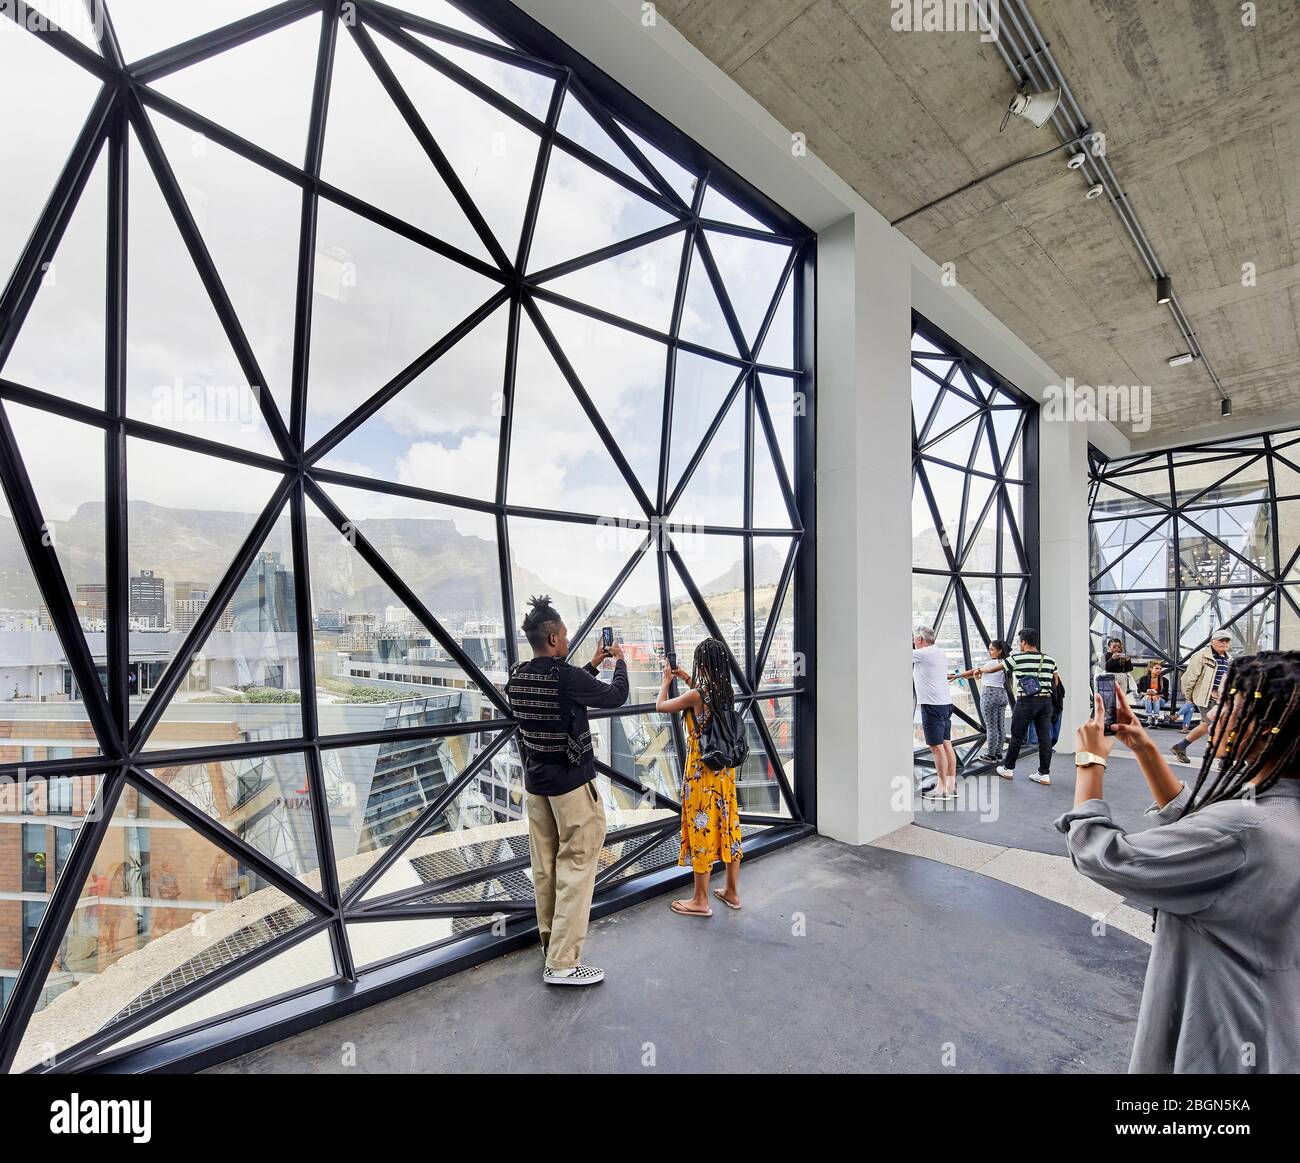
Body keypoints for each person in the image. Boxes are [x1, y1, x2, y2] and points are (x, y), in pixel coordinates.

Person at [1056, 653, 1300, 1073]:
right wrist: (1144, 748)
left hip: (1223, 1035)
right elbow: (1212, 838)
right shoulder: (1277, 812)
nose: (1213, 714)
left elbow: (1106, 856)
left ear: (1263, 730)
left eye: (1226, 704)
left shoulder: (1243, 829)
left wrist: (1090, 763)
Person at [504, 595, 628, 986]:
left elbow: (561, 690)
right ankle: (563, 964)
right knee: (577, 865)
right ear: (555, 637)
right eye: (566, 636)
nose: (568, 641)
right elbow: (615, 696)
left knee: (546, 868)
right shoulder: (565, 678)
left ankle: (551, 949)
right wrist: (619, 661)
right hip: (571, 787)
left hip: (537, 787)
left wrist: (592, 664)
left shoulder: (518, 676)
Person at [655, 638, 743, 916]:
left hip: (701, 774)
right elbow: (706, 697)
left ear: (702, 663)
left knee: (702, 828)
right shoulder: (725, 693)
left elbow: (661, 706)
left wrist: (667, 681)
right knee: (728, 826)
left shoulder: (697, 695)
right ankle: (731, 892)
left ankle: (700, 901)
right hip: (724, 773)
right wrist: (685, 677)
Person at [996, 628, 1059, 785]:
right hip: (1045, 702)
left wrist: (977, 671)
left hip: (1026, 701)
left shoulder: (1016, 658)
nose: (1019, 644)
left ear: (1024, 642)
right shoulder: (1050, 659)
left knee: (1017, 736)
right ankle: (1044, 774)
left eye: (1019, 642)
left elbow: (993, 669)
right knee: (1044, 738)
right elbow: (1056, 681)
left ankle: (1008, 769)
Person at [1171, 630, 1232, 765]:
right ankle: (1224, 759)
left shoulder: (1229, 658)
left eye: (1227, 640)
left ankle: (1180, 747)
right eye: (1221, 640)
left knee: (1206, 725)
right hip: (1206, 697)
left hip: (1220, 699)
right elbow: (1188, 678)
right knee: (1217, 725)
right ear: (1212, 642)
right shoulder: (1201, 656)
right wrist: (1190, 697)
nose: (1224, 643)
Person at [912, 626, 956, 800]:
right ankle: (951, 787)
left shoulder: (924, 653)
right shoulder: (939, 652)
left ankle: (941, 789)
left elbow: (895, 653)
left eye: (915, 639)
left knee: (936, 748)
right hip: (945, 703)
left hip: (932, 705)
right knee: (946, 745)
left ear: (921, 640)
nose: (914, 642)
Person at [957, 638, 1010, 763]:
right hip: (1002, 695)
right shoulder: (1006, 663)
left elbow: (974, 671)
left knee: (991, 727)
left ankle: (990, 755)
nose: (989, 652)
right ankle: (998, 753)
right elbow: (976, 673)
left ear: (1000, 651)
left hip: (990, 695)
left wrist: (957, 676)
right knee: (1000, 726)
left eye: (992, 649)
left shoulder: (992, 664)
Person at [1136, 660, 1169, 727]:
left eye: (1160, 669)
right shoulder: (1143, 679)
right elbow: (1139, 691)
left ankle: (1156, 718)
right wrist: (1146, 693)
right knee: (1148, 697)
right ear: (1150, 669)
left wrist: (1157, 694)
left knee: (1155, 697)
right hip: (1146, 700)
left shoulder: (1164, 680)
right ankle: (1150, 718)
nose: (1159, 670)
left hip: (1160, 701)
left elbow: (1166, 694)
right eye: (1156, 668)